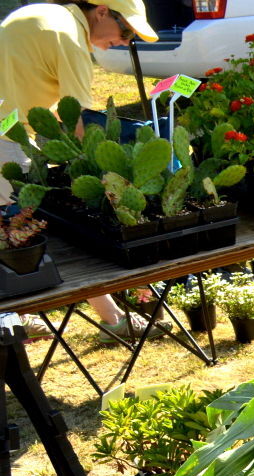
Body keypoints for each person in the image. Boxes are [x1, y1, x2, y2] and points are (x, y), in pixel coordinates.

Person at [0, 0, 172, 343]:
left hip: (8, 128)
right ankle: (110, 320)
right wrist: (102, 175)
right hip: (6, 138)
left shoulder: (43, 15)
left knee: (19, 232)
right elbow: (77, 119)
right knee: (38, 232)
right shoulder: (69, 37)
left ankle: (21, 317)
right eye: (125, 31)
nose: (123, 41)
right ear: (102, 11)